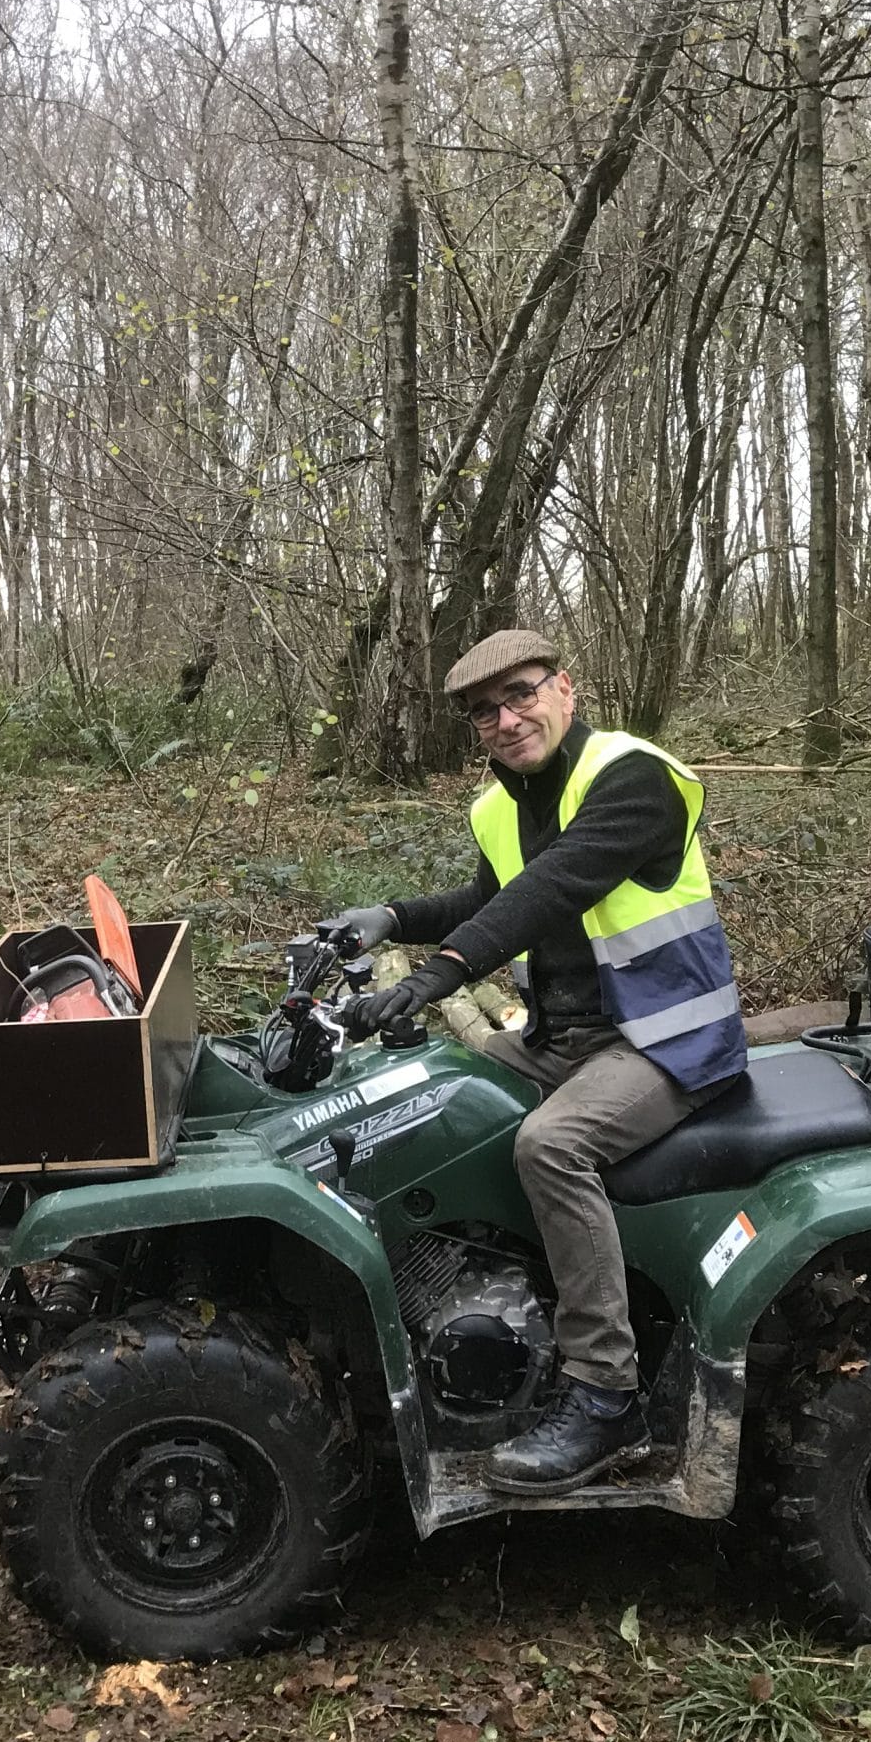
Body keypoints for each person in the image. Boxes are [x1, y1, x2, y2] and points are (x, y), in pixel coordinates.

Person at [336, 628, 747, 1493]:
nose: (507, 719)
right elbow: (489, 899)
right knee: (438, 1098)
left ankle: (606, 1391)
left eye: (521, 694)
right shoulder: (500, 806)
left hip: (662, 1041)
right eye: (485, 712)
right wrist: (393, 916)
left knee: (551, 1146)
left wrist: (440, 975)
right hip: (558, 1040)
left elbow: (552, 888)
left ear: (565, 687)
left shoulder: (633, 778)